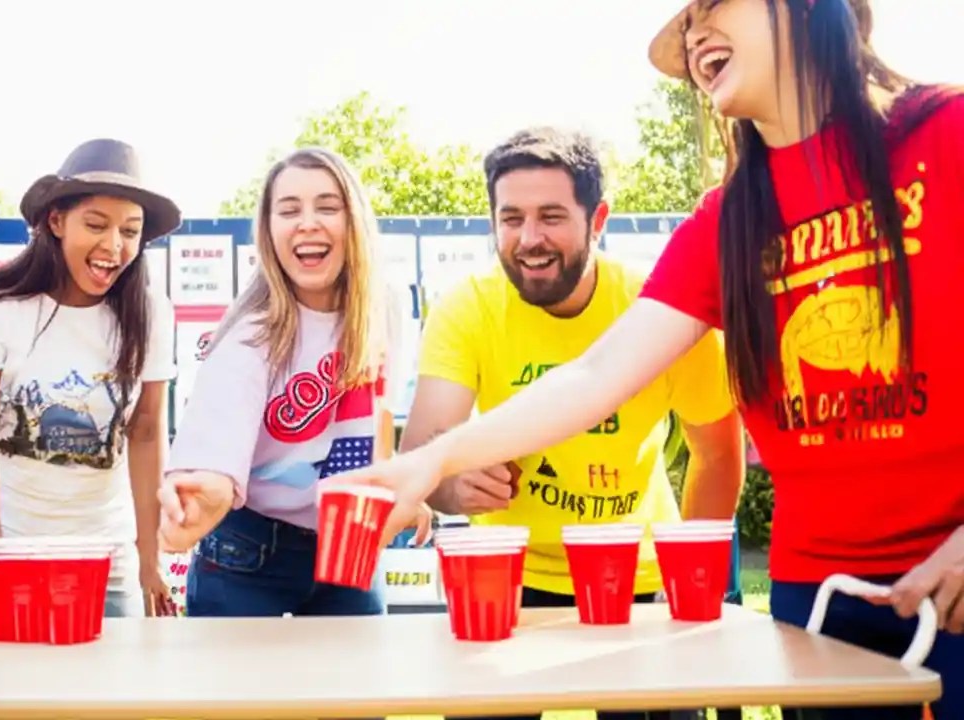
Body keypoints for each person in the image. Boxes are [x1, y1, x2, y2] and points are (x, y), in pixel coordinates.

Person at [326, 1, 964, 718]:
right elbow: (596, 376)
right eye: (687, 25)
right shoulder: (723, 220)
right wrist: (432, 463)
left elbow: (713, 453)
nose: (695, 37)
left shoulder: (944, 131)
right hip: (814, 594)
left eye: (713, 8)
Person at [402, 126, 744, 720]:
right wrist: (454, 486)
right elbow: (426, 453)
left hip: (636, 576)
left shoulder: (660, 308)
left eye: (551, 216)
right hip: (503, 579)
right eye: (510, 218)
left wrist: (691, 574)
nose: (529, 239)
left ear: (599, 218)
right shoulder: (467, 306)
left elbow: (716, 452)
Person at [156, 147, 425, 617]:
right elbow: (215, 456)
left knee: (361, 690)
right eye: (289, 210)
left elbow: (378, 418)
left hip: (350, 545)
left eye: (327, 206)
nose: (307, 223)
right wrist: (203, 497)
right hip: (247, 551)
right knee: (241, 694)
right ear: (268, 231)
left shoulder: (385, 305)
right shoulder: (251, 332)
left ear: (355, 221)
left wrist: (399, 487)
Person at [0, 138, 181, 626]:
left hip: (104, 562)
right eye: (96, 225)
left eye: (130, 232)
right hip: (4, 543)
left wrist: (149, 559)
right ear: (56, 221)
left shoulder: (152, 314)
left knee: (110, 702)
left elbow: (147, 432)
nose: (114, 246)